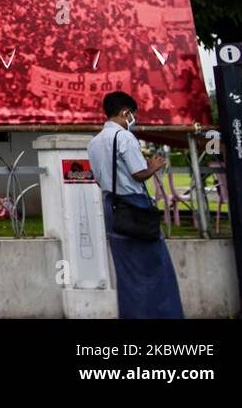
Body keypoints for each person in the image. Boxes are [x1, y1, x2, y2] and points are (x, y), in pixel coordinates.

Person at [86, 90, 183, 319]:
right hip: (134, 205)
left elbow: (99, 180)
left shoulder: (94, 142)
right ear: (125, 112)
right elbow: (138, 173)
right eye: (132, 115)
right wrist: (154, 165)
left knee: (127, 271)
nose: (133, 120)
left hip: (113, 205)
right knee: (155, 268)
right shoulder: (124, 137)